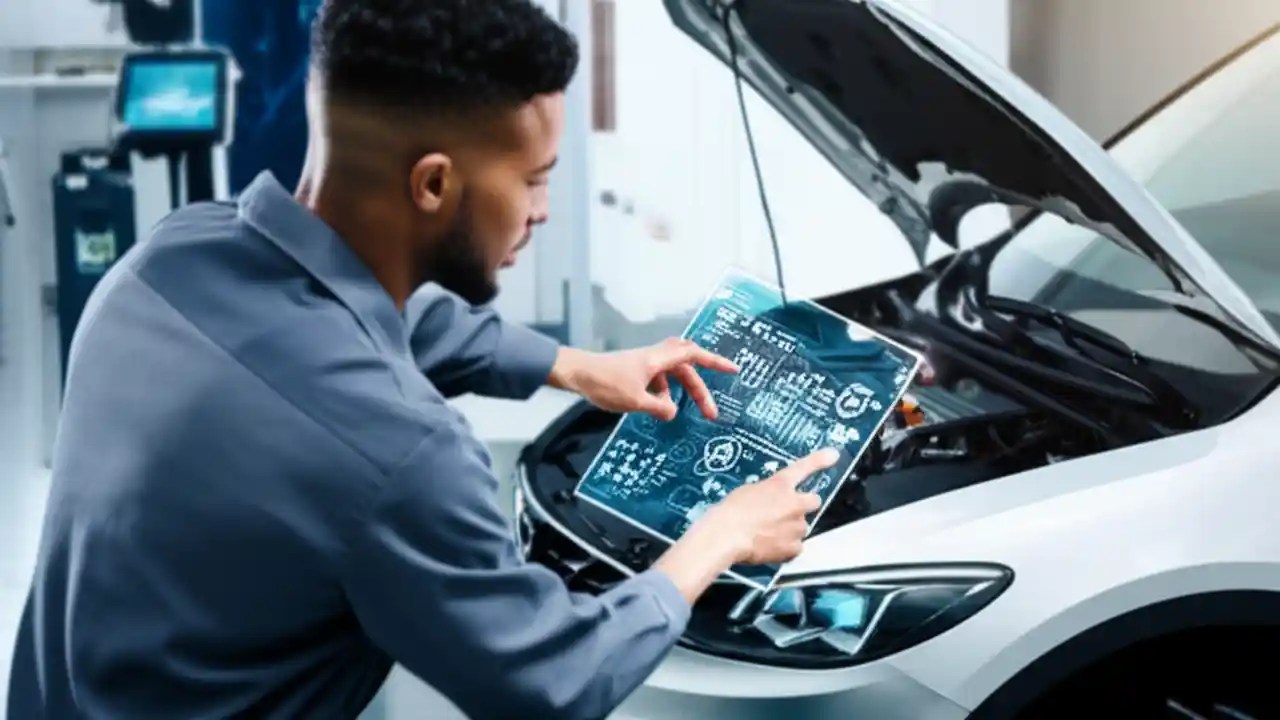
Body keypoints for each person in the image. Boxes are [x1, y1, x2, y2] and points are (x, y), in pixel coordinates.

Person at [6, 1, 837, 718]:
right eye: (537, 180)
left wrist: (576, 366)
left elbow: (361, 323)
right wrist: (716, 539)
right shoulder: (406, 456)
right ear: (434, 185)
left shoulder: (165, 260)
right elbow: (553, 681)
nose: (544, 211)